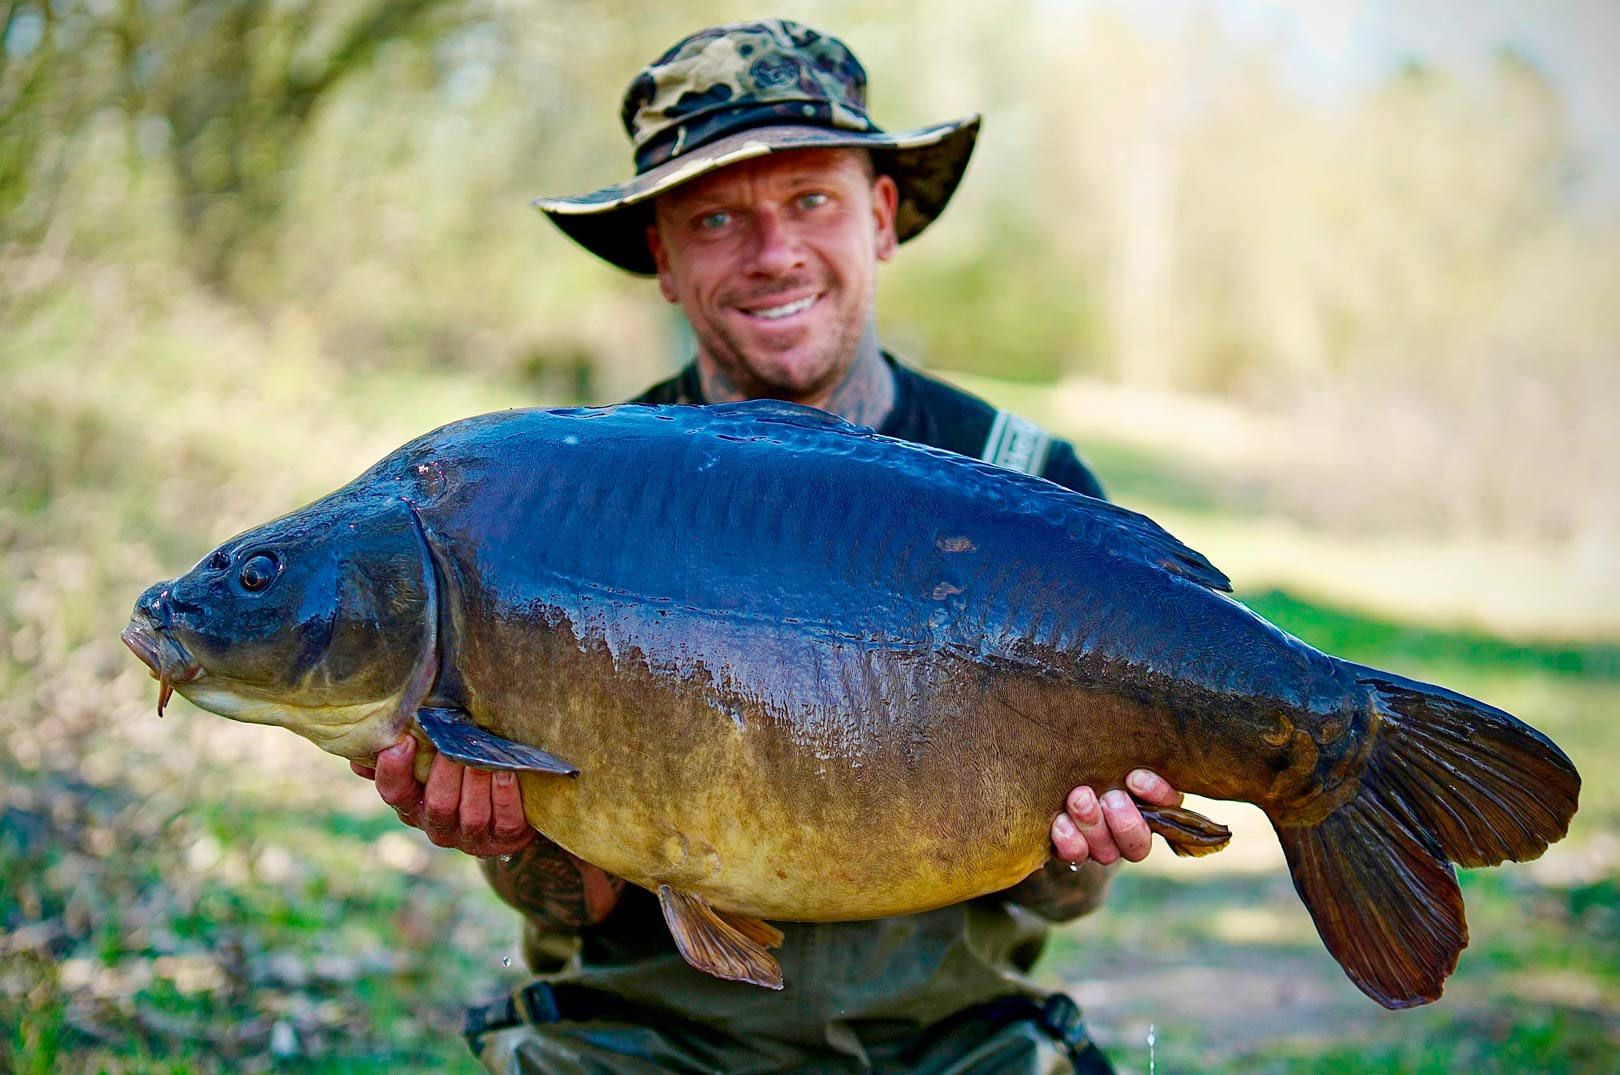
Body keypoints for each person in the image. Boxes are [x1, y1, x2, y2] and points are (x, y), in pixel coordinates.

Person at [354, 19, 1185, 1074]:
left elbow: (1064, 900)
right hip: (645, 1040)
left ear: (880, 217)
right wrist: (509, 838)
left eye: (811, 201)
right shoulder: (562, 499)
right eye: (715, 218)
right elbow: (572, 900)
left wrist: (1090, 845)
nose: (774, 251)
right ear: (663, 257)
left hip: (949, 1043)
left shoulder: (1028, 489)